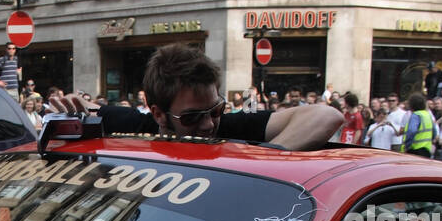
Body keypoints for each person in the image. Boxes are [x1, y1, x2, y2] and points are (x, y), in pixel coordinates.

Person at [50, 43, 342, 148]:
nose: (207, 125)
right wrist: (74, 104)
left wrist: (264, 159)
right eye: (191, 117)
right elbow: (91, 109)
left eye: (214, 110)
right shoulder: (136, 125)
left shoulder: (231, 127)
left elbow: (326, 115)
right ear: (158, 113)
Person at [400, 92, 436, 158]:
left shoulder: (416, 115)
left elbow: (412, 131)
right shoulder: (428, 115)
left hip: (415, 150)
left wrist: (407, 145)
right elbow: (434, 132)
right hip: (427, 150)